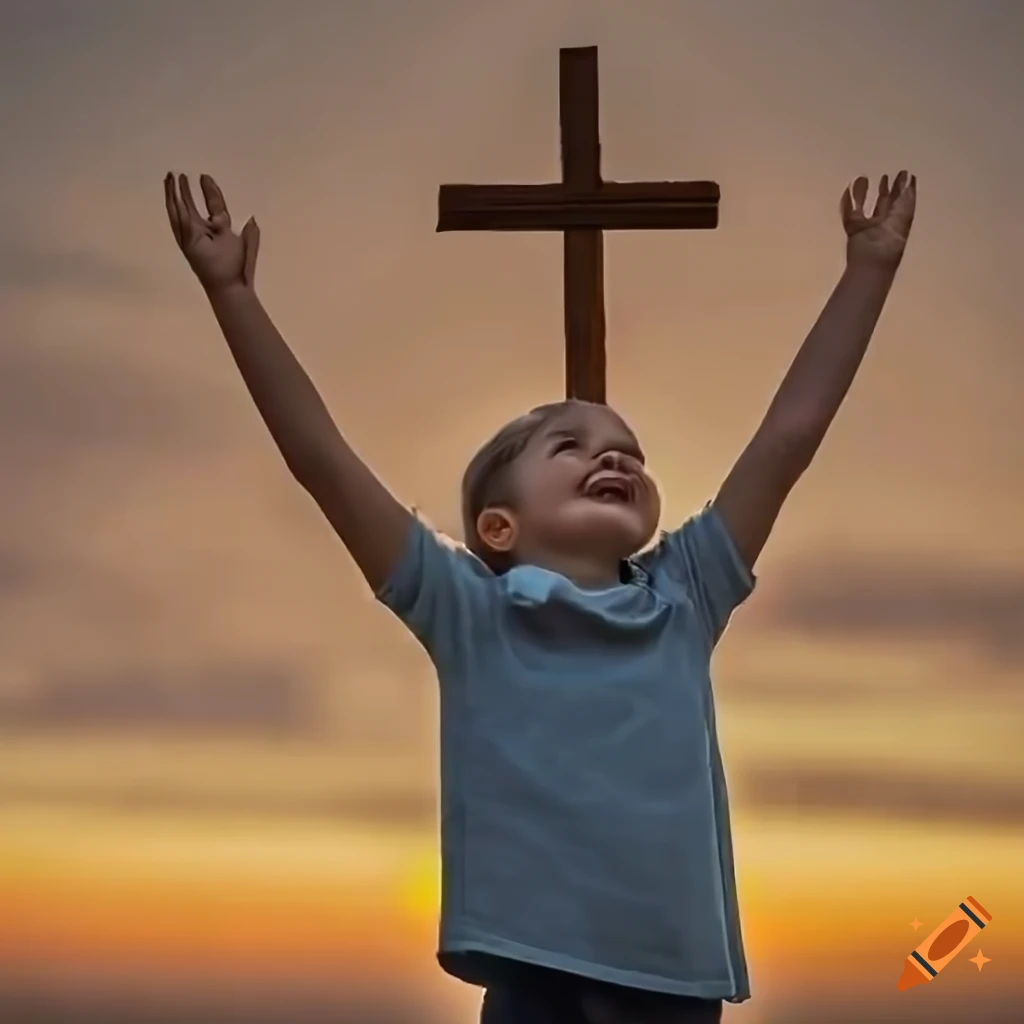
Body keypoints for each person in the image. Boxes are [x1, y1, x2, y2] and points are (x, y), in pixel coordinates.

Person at [163, 169, 916, 1023]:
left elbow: (789, 436)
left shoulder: (685, 594)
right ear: (498, 526)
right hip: (536, 980)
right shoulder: (469, 612)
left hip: (673, 988)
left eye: (629, 451)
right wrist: (233, 295)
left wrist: (869, 269)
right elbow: (323, 462)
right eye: (570, 445)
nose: (614, 456)